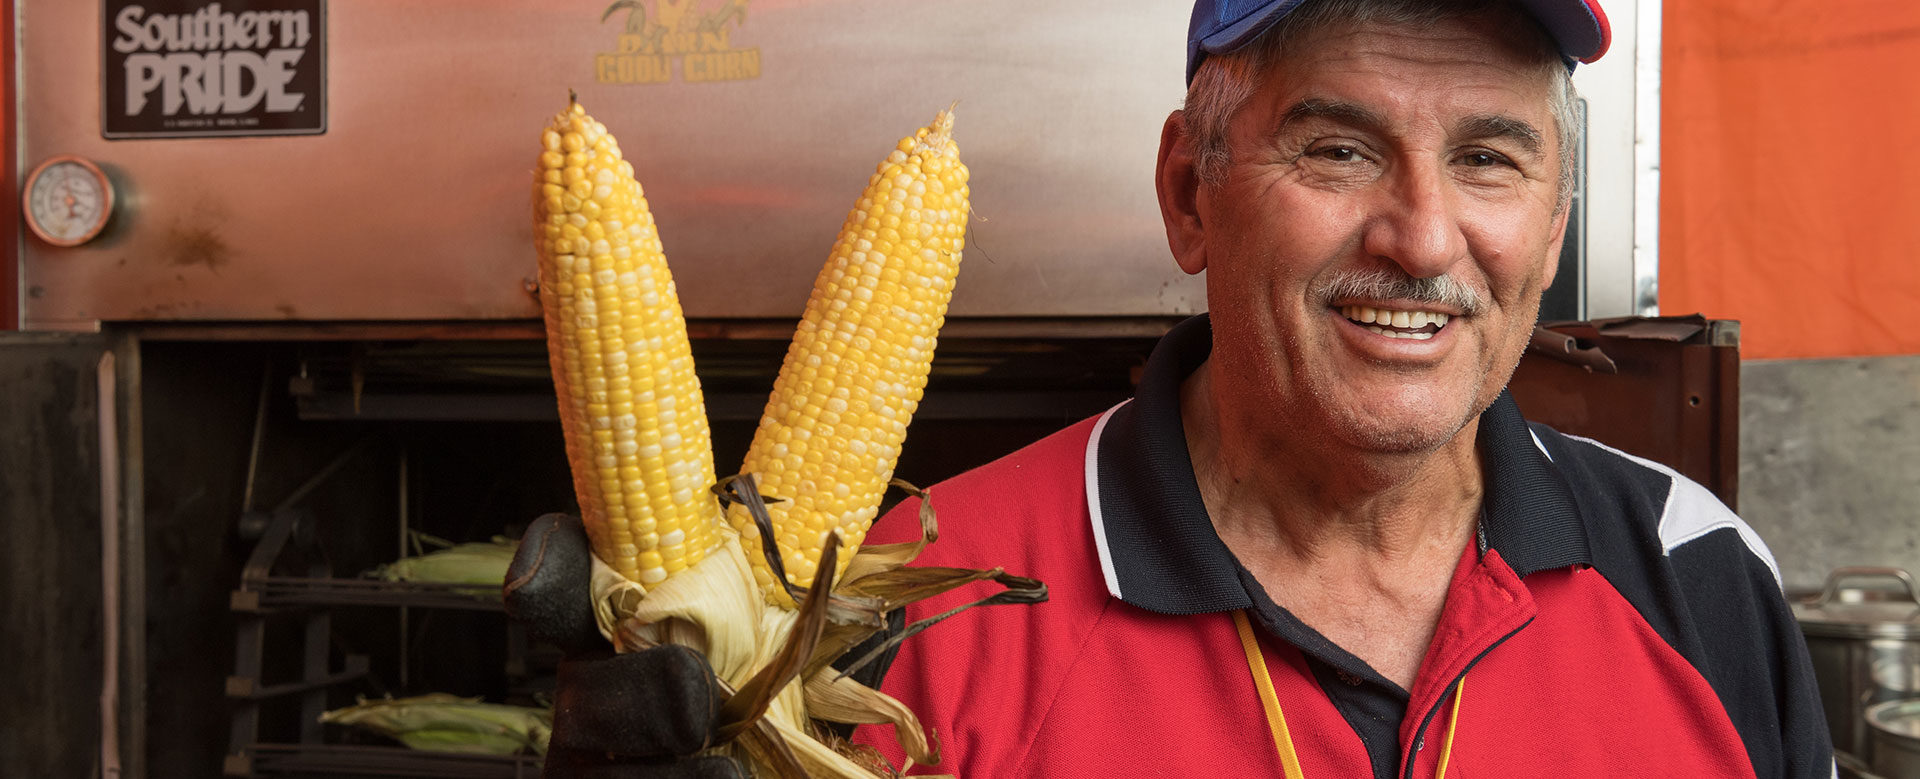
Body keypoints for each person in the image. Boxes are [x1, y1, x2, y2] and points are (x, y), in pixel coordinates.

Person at [508, 0, 1834, 776]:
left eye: (1491, 159)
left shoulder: (1701, 580)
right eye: (1339, 149)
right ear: (1190, 197)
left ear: (1552, 223)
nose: (1426, 239)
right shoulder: (892, 623)